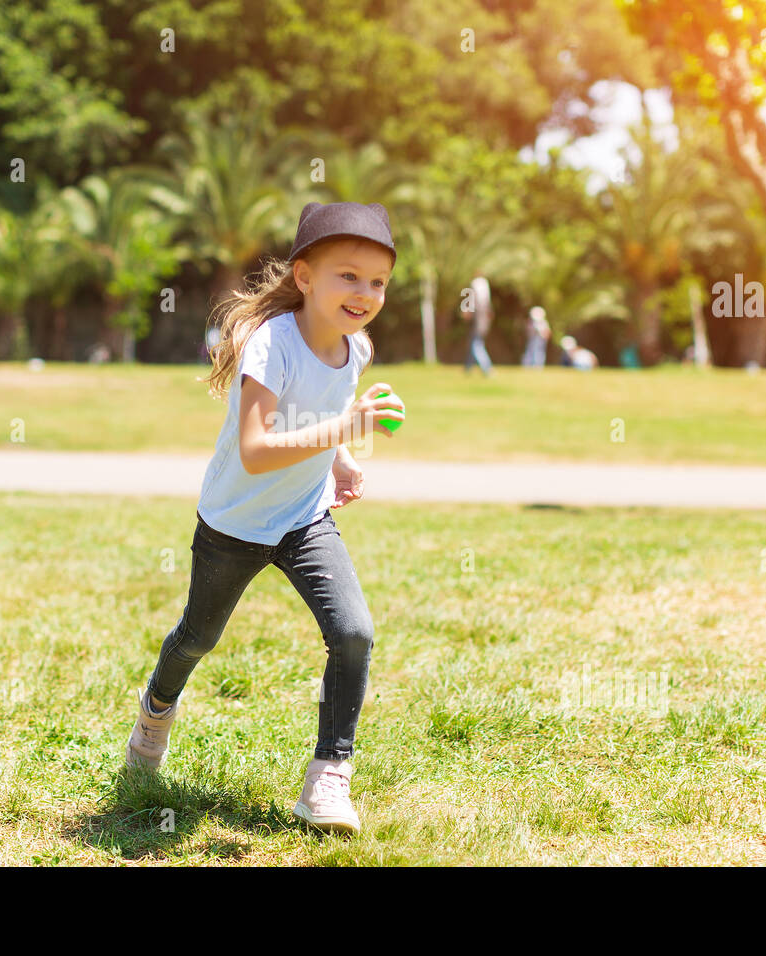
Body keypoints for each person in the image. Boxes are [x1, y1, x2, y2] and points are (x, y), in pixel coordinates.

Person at [125, 201, 404, 836]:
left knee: (354, 631)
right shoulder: (270, 344)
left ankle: (328, 776)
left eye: (379, 281)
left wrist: (339, 462)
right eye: (348, 276)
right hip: (234, 523)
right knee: (197, 638)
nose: (365, 293)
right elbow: (255, 449)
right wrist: (349, 428)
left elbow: (322, 409)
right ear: (304, 277)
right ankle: (156, 713)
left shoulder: (355, 348)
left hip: (305, 519)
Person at [461, 270, 494, 377]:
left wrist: (467, 311)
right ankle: (467, 368)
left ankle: (487, 368)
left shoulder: (475, 284)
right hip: (483, 317)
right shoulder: (485, 285)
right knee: (474, 342)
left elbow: (472, 299)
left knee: (476, 343)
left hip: (477, 318)